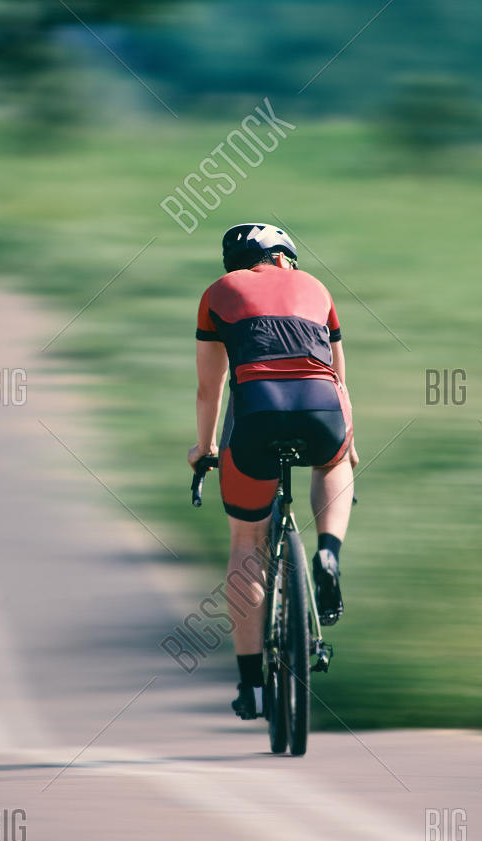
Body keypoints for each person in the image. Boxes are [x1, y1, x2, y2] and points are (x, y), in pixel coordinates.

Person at [186, 223, 357, 721]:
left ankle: (252, 687)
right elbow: (339, 381)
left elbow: (209, 389)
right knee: (333, 460)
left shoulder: (218, 292)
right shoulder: (317, 287)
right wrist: (349, 446)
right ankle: (329, 553)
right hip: (323, 409)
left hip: (255, 415)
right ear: (283, 258)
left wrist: (205, 448)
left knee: (246, 543)